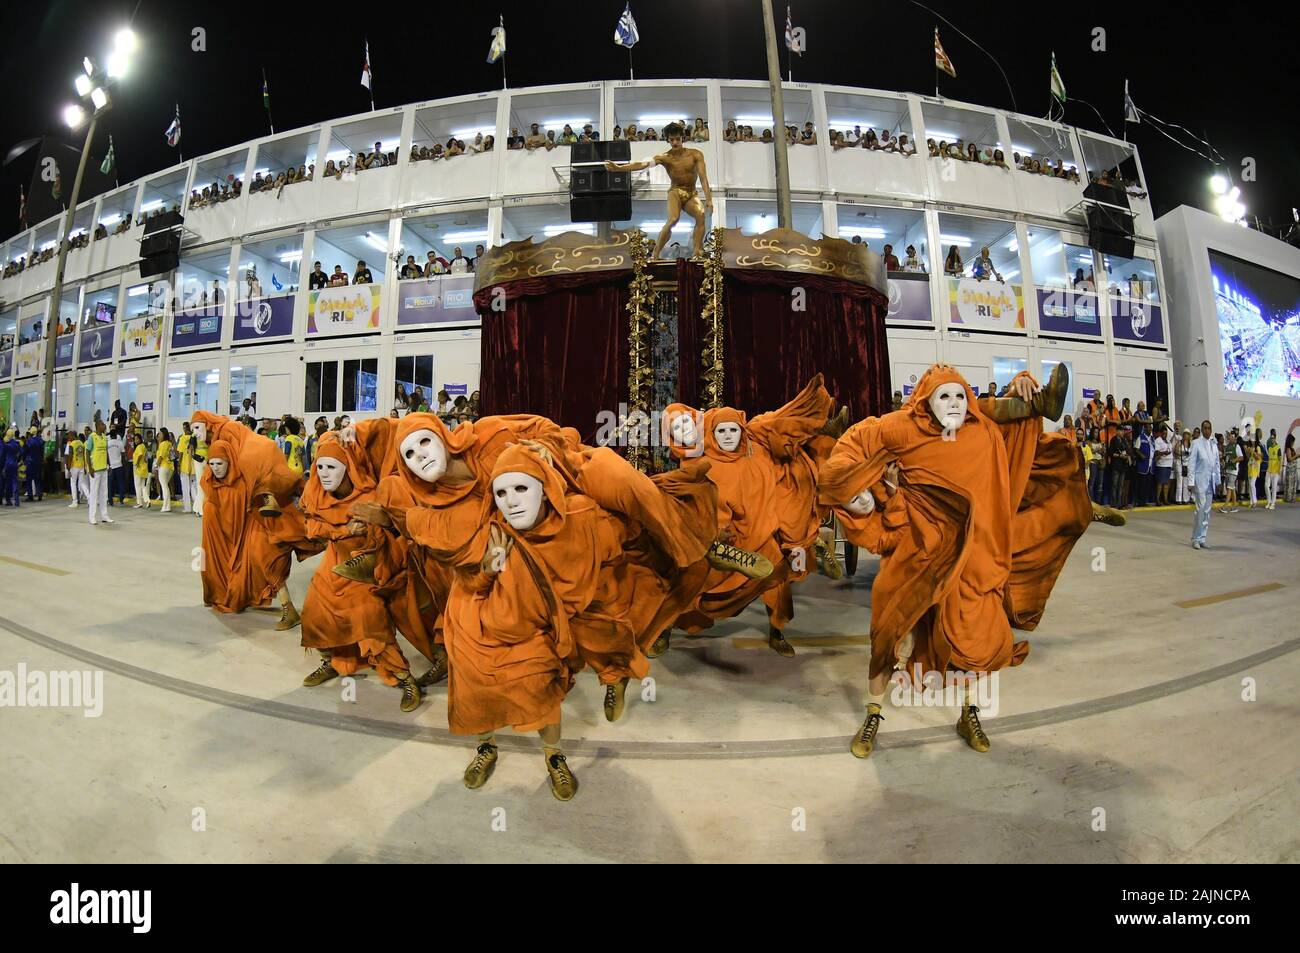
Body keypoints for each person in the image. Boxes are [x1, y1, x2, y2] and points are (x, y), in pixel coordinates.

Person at [819, 363, 1095, 759]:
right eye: (942, 396)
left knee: (970, 639)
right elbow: (853, 447)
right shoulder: (903, 427)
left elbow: (1015, 416)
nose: (953, 403)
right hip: (917, 549)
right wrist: (847, 486)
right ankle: (873, 713)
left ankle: (968, 713)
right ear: (926, 403)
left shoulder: (980, 423)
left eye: (960, 395)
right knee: (888, 632)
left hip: (970, 555)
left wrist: (1024, 385)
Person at [298, 435, 422, 712]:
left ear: (347, 467)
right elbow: (311, 529)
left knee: (371, 625)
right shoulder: (318, 495)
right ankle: (334, 661)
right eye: (320, 467)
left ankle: (405, 678)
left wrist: (375, 529)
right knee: (316, 615)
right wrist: (342, 531)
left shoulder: (369, 497)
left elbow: (393, 535)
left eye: (331, 467)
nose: (324, 474)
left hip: (366, 571)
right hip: (333, 566)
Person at [199, 438, 317, 627]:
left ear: (229, 461)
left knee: (266, 560)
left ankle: (289, 610)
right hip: (227, 535)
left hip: (252, 526)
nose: (215, 468)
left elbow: (273, 485)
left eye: (219, 463)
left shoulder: (245, 479)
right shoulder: (209, 482)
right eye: (211, 464)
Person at [604, 122, 713, 259]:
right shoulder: (664, 157)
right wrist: (619, 168)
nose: (675, 143)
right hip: (675, 192)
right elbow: (642, 164)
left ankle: (697, 252)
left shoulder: (696, 154)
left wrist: (709, 199)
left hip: (691, 194)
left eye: (677, 139)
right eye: (671, 140)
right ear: (667, 140)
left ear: (682, 138)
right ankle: (655, 254)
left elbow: (703, 178)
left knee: (701, 215)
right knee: (673, 219)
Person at [1188, 420, 1220, 550]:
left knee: (1207, 512)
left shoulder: (1214, 445)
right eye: (1205, 428)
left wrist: (1218, 481)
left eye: (1209, 428)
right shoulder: (1196, 443)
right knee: (1200, 511)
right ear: (1202, 430)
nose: (1207, 430)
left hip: (1210, 483)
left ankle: (1202, 538)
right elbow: (1191, 464)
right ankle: (1195, 538)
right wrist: (1190, 482)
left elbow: (1216, 464)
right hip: (1200, 482)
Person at [84, 420, 113, 525]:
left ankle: (104, 515)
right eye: (102, 424)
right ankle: (92, 517)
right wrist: (90, 468)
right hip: (95, 470)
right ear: (97, 426)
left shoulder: (105, 437)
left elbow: (106, 452)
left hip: (104, 469)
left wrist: (109, 465)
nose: (104, 425)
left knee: (104, 493)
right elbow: (87, 452)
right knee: (94, 493)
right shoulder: (92, 437)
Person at [176, 421, 196, 513]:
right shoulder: (194, 437)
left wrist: (179, 464)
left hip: (184, 465)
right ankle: (197, 507)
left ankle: (188, 508)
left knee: (185, 487)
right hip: (193, 465)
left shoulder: (183, 438)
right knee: (194, 487)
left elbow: (180, 453)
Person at [155, 427, 175, 512]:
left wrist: (156, 466)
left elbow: (160, 457)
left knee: (164, 486)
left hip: (164, 466)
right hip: (170, 467)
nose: (159, 435)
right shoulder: (169, 443)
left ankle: (166, 506)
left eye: (160, 433)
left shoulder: (163, 444)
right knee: (165, 485)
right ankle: (167, 505)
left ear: (164, 434)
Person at [66, 430, 88, 507]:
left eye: (69, 435)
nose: (68, 437)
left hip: (74, 466)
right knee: (82, 483)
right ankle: (89, 498)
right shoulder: (81, 443)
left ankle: (74, 501)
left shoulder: (72, 444)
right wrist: (85, 467)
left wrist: (68, 467)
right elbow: (84, 456)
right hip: (81, 466)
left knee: (73, 484)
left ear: (72, 435)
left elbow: (70, 456)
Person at [22, 428, 45, 501]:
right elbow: (42, 452)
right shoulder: (40, 441)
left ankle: (30, 496)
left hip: (30, 462)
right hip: (38, 462)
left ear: (31, 433)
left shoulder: (29, 441)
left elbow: (25, 451)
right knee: (37, 479)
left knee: (29, 480)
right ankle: (39, 494)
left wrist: (23, 459)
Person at [1, 428, 21, 506]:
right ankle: (17, 501)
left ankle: (8, 500)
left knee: (8, 483)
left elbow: (2, 455)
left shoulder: (6, 445)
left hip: (8, 464)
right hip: (15, 464)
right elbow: (20, 453)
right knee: (14, 482)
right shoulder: (17, 444)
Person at [132, 434, 151, 509]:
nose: (135, 441)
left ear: (140, 439)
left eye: (137, 439)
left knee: (137, 486)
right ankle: (147, 500)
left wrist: (136, 463)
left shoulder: (139, 447)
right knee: (143, 486)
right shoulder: (143, 446)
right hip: (144, 468)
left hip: (138, 468)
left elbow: (140, 455)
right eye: (135, 439)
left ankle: (139, 502)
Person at [1265, 431, 1282, 509]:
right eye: (1271, 438)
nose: (1272, 440)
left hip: (1275, 471)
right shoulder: (1269, 448)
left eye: (1273, 438)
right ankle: (1269, 501)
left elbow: (1280, 459)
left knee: (1274, 488)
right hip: (1269, 470)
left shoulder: (1278, 448)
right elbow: (1269, 459)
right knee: (1266, 485)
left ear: (1275, 438)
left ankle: (1273, 503)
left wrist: (1279, 470)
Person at [1285, 434, 1298, 504]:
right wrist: (1297, 456)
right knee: (1290, 484)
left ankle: (1292, 498)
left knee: (1294, 484)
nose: (1293, 443)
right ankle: (1289, 498)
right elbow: (1289, 459)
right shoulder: (1288, 449)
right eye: (1292, 441)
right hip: (1290, 469)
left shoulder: (1292, 449)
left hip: (1294, 469)